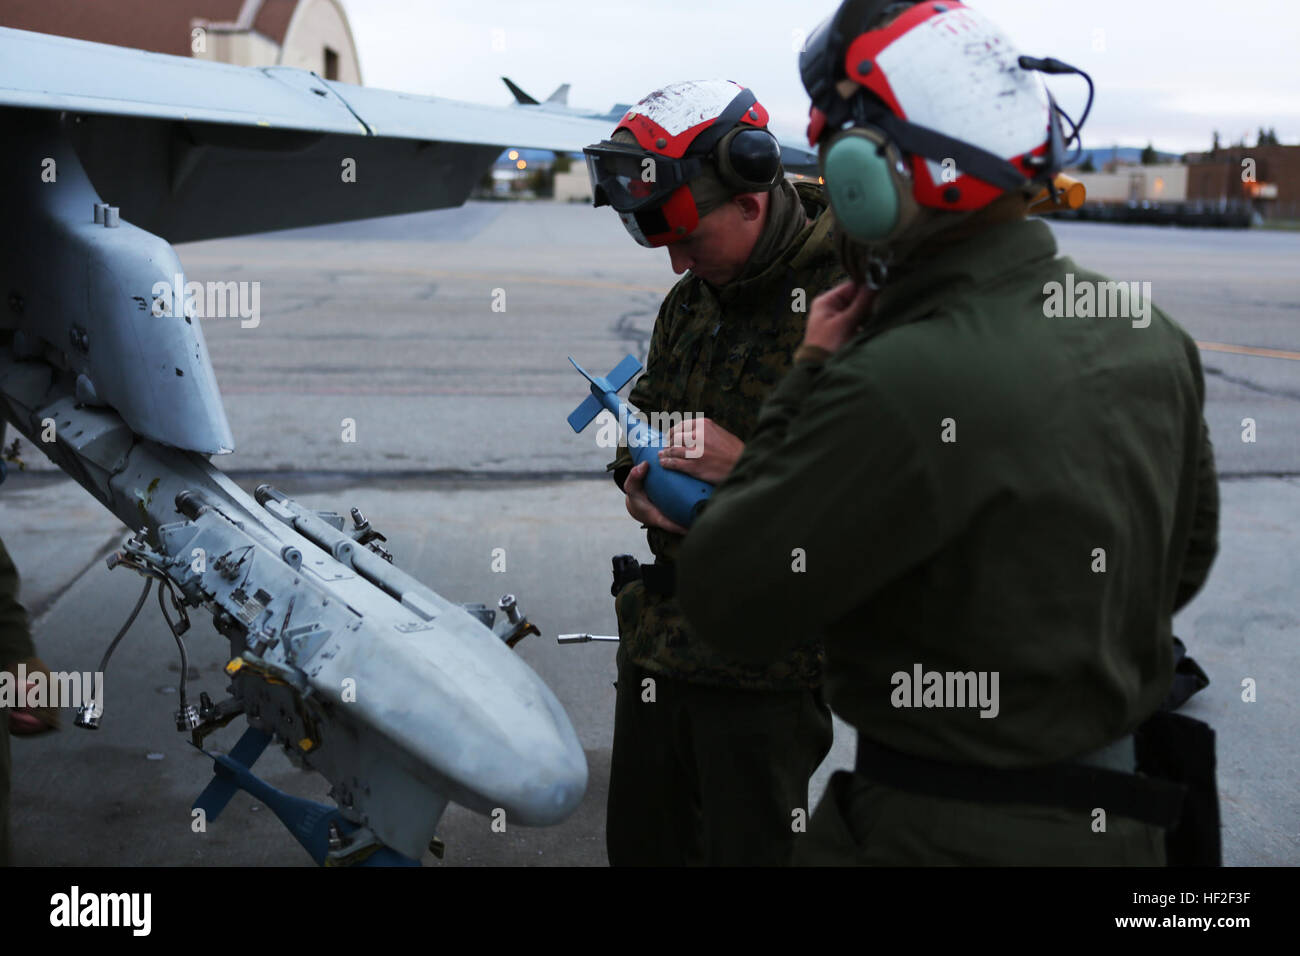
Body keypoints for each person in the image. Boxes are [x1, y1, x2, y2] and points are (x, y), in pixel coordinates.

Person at [677, 0, 1220, 865]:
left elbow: (727, 599)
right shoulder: (1150, 333)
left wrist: (808, 377)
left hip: (935, 832)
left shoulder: (894, 378)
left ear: (865, 173)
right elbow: (1182, 560)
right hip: (1127, 827)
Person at [582, 79, 845, 865]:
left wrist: (755, 466)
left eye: (689, 242)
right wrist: (636, 476)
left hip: (765, 672)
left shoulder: (851, 301)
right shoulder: (693, 302)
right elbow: (648, 421)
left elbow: (909, 501)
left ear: (751, 203)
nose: (675, 267)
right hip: (659, 648)